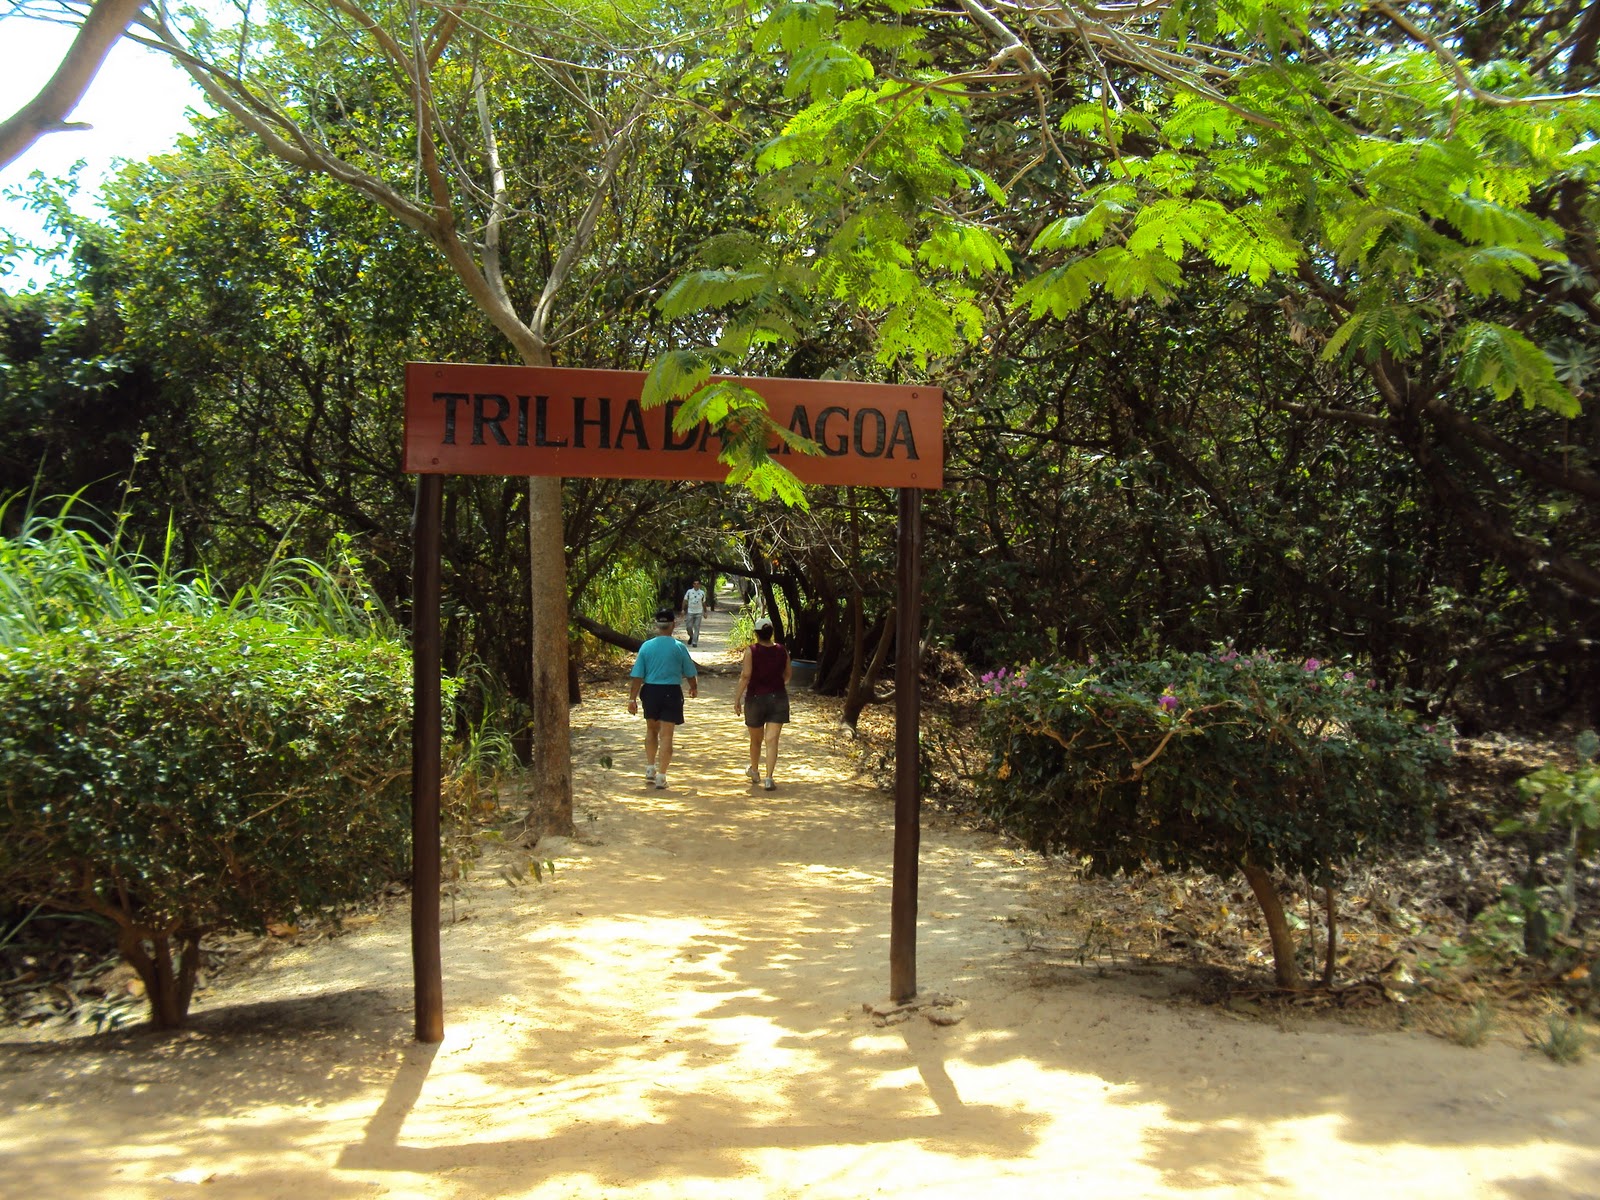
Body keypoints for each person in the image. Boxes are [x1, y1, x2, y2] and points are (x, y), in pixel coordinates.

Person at [628, 608, 699, 789]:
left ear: (657, 625)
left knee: (651, 730)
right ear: (673, 625)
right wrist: (693, 687)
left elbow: (637, 676)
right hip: (671, 692)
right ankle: (662, 775)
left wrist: (632, 699)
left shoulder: (646, 646)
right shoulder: (678, 647)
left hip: (650, 691)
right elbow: (690, 672)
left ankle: (650, 767)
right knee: (667, 735)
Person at [733, 616, 791, 790]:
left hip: (755, 699)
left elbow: (745, 676)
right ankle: (769, 778)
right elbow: (788, 674)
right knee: (772, 740)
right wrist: (778, 684)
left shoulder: (752, 651)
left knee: (756, 739)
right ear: (771, 632)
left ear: (757, 634)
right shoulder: (782, 650)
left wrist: (737, 698)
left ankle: (755, 770)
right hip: (778, 698)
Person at [682, 579, 707, 647]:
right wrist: (683, 610)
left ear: (699, 585)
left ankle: (694, 642)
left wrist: (705, 612)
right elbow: (685, 600)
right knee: (689, 627)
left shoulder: (702, 592)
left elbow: (704, 602)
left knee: (697, 627)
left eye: (697, 584)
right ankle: (692, 636)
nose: (696, 585)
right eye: (695, 584)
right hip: (690, 611)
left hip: (699, 612)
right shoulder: (689, 592)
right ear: (693, 585)